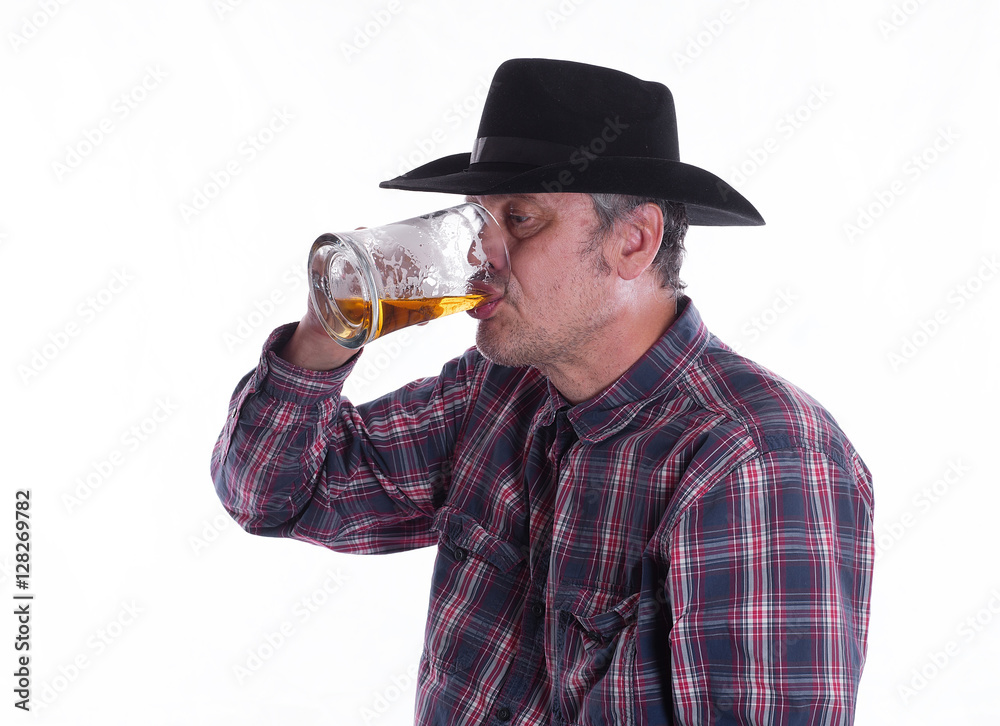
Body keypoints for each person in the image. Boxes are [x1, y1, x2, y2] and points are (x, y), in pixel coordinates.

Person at [212, 58, 873, 725]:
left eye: (521, 221)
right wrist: (330, 330)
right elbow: (275, 492)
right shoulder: (499, 393)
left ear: (634, 242)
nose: (478, 258)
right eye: (475, 223)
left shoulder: (758, 459)